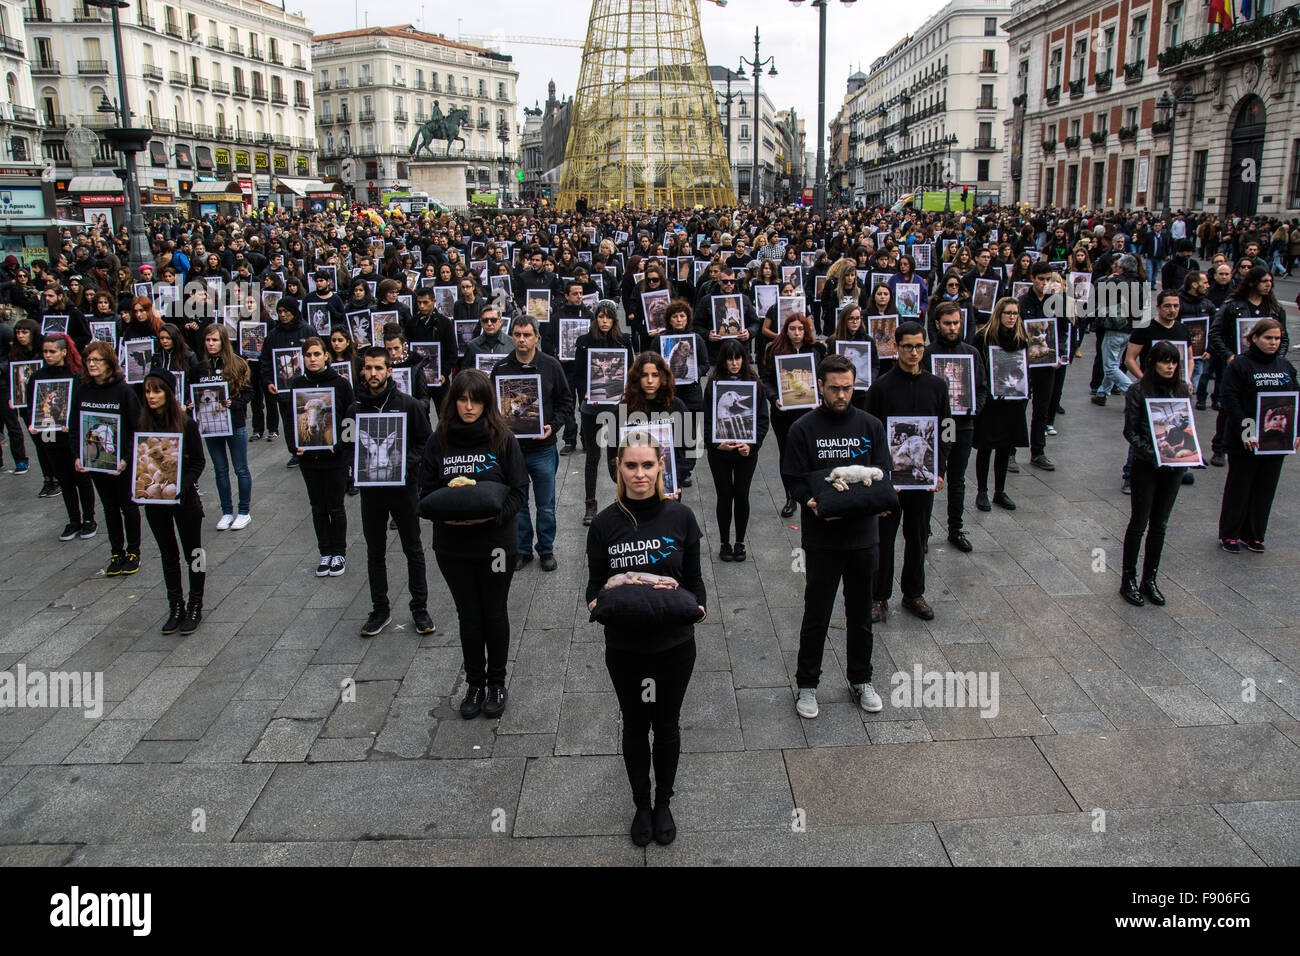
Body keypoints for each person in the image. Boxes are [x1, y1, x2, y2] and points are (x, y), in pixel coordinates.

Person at [585, 430, 706, 846]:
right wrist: (600, 603)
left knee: (667, 726)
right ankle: (641, 803)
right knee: (636, 725)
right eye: (631, 465)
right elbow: (592, 588)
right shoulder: (603, 524)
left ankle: (664, 801)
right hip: (626, 647)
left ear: (660, 467)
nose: (640, 473)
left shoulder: (681, 517)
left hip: (674, 645)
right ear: (618, 467)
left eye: (648, 465)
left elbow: (695, 582)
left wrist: (697, 607)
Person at [782, 353, 892, 719]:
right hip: (823, 538)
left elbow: (882, 472)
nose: (842, 395)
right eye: (834, 389)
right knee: (817, 613)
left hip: (863, 536)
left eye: (847, 388)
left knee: (860, 613)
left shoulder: (871, 425)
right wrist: (807, 499)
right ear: (820, 387)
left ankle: (861, 678)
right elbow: (794, 477)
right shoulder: (803, 428)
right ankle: (808, 684)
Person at [419, 370, 528, 719]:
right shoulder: (440, 441)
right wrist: (451, 515)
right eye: (463, 399)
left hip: (496, 544)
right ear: (453, 402)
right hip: (453, 546)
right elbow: (425, 495)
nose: (469, 407)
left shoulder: (503, 439)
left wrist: (489, 518)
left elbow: (519, 492)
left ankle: (497, 682)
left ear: (486, 402)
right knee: (468, 614)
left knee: (494, 611)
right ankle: (474, 683)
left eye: (476, 400)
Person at [347, 346, 436, 637]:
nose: (373, 373)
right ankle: (380, 609)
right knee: (375, 550)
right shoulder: (355, 409)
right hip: (372, 491)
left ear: (389, 371)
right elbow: (349, 446)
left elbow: (426, 442)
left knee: (413, 548)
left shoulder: (409, 405)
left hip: (404, 487)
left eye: (378, 368)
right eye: (368, 368)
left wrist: (403, 464)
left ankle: (420, 608)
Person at [865, 321, 948, 622]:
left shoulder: (937, 386)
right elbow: (871, 436)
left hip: (923, 481)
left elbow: (945, 431)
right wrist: (878, 476)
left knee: (917, 537)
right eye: (908, 346)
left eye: (919, 346)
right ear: (896, 347)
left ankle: (914, 593)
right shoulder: (881, 388)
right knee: (884, 538)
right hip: (890, 481)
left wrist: (940, 471)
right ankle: (879, 597)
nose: (914, 352)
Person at [489, 314, 572, 571]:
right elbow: (492, 407)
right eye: (517, 334)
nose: (521, 339)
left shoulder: (550, 365)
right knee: (519, 504)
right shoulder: (501, 369)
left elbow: (566, 402)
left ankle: (546, 549)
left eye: (527, 335)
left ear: (537, 337)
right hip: (512, 450)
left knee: (545, 505)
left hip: (543, 449)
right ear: (511, 336)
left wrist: (553, 426)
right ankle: (522, 549)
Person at [1120, 342, 1193, 608]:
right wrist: (1155, 454)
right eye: (1164, 361)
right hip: (1147, 465)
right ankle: (1128, 578)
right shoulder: (1138, 390)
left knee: (1159, 525)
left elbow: (1187, 428)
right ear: (1153, 362)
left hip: (1173, 468)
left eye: (1173, 362)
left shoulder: (1181, 388)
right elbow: (1131, 432)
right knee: (1139, 523)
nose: (1170, 366)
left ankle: (1149, 579)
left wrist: (1188, 452)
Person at [1217, 318, 1300, 553]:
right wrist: (1246, 429)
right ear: (1254, 338)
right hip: (1245, 439)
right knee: (1240, 486)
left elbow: (1296, 399)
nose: (1273, 343)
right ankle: (1230, 534)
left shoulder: (1285, 366)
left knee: (1265, 488)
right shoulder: (1240, 365)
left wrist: (1297, 431)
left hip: (1276, 440)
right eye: (1268, 338)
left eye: (1277, 339)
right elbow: (1230, 399)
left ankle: (1253, 534)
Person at [138, 370, 206, 634]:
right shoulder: (142, 424)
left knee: (194, 554)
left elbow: (198, 462)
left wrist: (182, 485)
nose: (151, 396)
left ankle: (196, 605)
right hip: (156, 504)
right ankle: (175, 605)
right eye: (147, 391)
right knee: (168, 555)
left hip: (183, 500)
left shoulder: (186, 423)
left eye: (156, 390)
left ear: (168, 392)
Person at [72, 340, 142, 575]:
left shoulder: (124, 391)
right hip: (96, 461)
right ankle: (116, 552)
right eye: (88, 360)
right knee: (109, 508)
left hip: (121, 461)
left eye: (96, 360)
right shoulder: (82, 390)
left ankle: (134, 551)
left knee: (128, 507)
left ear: (109, 363)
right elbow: (75, 426)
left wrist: (126, 458)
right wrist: (78, 455)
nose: (91, 364)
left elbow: (136, 428)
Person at [1207, 267, 1288, 467]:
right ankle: (1220, 447)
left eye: (1271, 281)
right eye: (1264, 281)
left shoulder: (1275, 309)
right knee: (1230, 406)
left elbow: (1283, 339)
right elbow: (1215, 334)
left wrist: (1277, 359)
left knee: (1263, 405)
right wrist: (1228, 355)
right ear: (1252, 282)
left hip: (1266, 367)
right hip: (1238, 365)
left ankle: (1260, 439)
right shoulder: (1233, 306)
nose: (1268, 285)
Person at [289, 336, 355, 577]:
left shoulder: (340, 384)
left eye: (317, 354)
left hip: (333, 458)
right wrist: (293, 446)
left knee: (335, 506)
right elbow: (290, 419)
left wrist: (340, 446)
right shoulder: (297, 384)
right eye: (308, 355)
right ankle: (325, 551)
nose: (313, 359)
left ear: (326, 355)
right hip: (309, 459)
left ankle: (339, 552)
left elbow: (350, 417)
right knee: (317, 506)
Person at [926, 300, 988, 552]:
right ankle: (925, 528)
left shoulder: (970, 353)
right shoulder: (928, 354)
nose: (952, 328)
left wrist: (974, 409)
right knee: (930, 475)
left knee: (957, 478)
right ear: (937, 324)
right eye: (947, 323)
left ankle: (955, 528)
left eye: (956, 323)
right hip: (939, 424)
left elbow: (982, 388)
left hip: (962, 423)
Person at [704, 339, 769, 561]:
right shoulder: (713, 384)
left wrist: (751, 444)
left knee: (742, 495)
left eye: (738, 358)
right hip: (719, 453)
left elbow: (762, 420)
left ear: (744, 358)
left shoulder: (755, 384)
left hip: (745, 453)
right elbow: (705, 419)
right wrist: (715, 443)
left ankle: (740, 541)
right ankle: (724, 542)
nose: (734, 363)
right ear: (724, 360)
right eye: (730, 358)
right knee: (724, 496)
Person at [573, 301, 635, 524]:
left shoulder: (623, 341)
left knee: (616, 455)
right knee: (592, 455)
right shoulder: (584, 342)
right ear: (596, 318)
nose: (605, 321)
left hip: (617, 406)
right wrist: (586, 394)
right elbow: (579, 375)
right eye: (601, 316)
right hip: (592, 408)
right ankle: (590, 503)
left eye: (609, 317)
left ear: (614, 319)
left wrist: (627, 393)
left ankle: (624, 500)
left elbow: (632, 371)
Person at [762, 314, 825, 518]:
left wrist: (821, 396)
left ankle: (812, 491)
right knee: (787, 454)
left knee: (811, 452)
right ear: (786, 330)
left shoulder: (817, 350)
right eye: (792, 329)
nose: (797, 333)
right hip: (784, 413)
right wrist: (774, 398)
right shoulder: (774, 350)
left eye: (800, 329)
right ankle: (790, 496)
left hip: (810, 412)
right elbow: (766, 379)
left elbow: (824, 377)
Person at [972, 298, 1029, 511]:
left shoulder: (1021, 339)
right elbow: (975, 367)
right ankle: (982, 491)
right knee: (986, 447)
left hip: (1012, 400)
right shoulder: (983, 338)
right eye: (1008, 313)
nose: (1012, 317)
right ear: (999, 314)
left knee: (1006, 446)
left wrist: (1024, 393)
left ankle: (1000, 491)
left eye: (1015, 313)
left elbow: (1024, 370)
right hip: (991, 401)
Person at [196, 324, 254, 529]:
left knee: (240, 469)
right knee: (220, 470)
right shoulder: (200, 366)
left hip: (235, 423)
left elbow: (249, 392)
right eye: (208, 340)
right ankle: (227, 511)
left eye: (215, 340)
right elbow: (194, 392)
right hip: (211, 426)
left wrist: (234, 403)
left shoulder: (236, 363)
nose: (211, 344)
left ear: (223, 341)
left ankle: (244, 511)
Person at [259, 297, 310, 465]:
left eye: (286, 311)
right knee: (288, 421)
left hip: (305, 386)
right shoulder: (273, 335)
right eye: (280, 312)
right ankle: (294, 450)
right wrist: (268, 381)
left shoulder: (307, 331)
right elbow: (266, 361)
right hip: (284, 389)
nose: (283, 315)